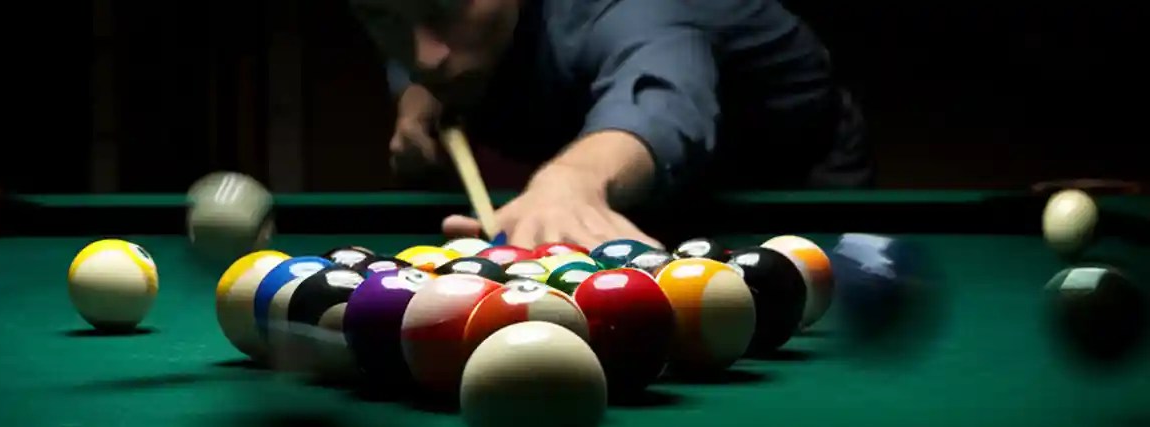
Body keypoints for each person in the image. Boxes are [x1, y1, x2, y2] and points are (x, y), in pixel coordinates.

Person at [349, 0, 874, 250]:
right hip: (638, 194)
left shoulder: (628, 9)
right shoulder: (439, 41)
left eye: (442, 13)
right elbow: (416, 51)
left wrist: (571, 182)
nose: (425, 56)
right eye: (387, 21)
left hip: (788, 178)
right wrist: (418, 97)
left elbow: (661, 96)